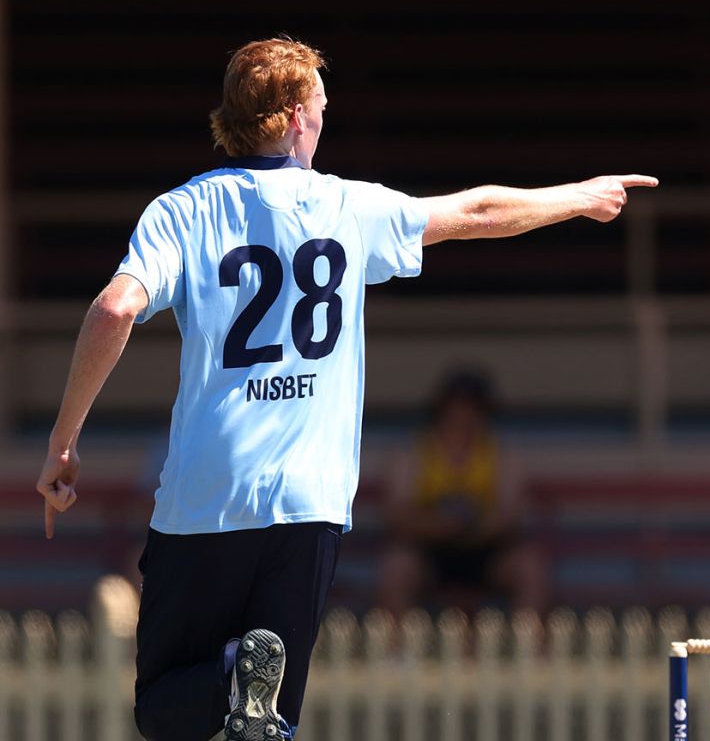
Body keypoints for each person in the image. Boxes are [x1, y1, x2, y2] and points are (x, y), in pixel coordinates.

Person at [34, 37, 656, 741]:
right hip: (311, 503)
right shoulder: (346, 207)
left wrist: (64, 443)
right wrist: (579, 198)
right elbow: (478, 212)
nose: (325, 122)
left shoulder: (183, 210)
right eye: (323, 108)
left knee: (163, 710)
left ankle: (233, 675)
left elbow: (114, 308)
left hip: (207, 498)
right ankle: (243, 680)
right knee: (265, 723)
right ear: (296, 117)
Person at [376, 368, 546, 616]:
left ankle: (527, 638)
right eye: (456, 408)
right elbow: (396, 513)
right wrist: (439, 525)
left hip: (486, 552)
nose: (463, 416)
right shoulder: (412, 455)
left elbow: (511, 514)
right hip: (429, 552)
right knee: (396, 566)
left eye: (472, 409)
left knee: (529, 566)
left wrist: (470, 527)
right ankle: (396, 640)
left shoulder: (502, 456)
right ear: (441, 410)